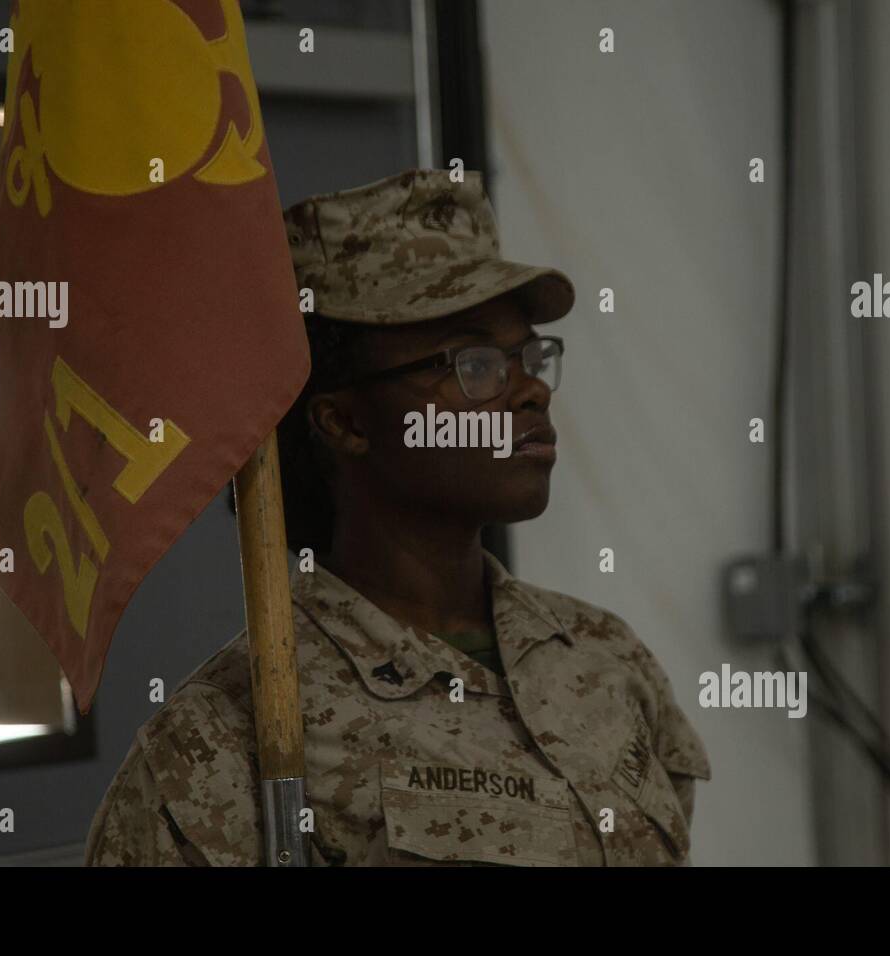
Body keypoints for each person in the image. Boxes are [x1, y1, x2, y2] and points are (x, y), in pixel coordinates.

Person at [85, 168, 710, 866]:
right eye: (474, 365)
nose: (531, 390)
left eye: (528, 356)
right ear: (345, 421)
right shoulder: (226, 741)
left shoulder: (605, 658)